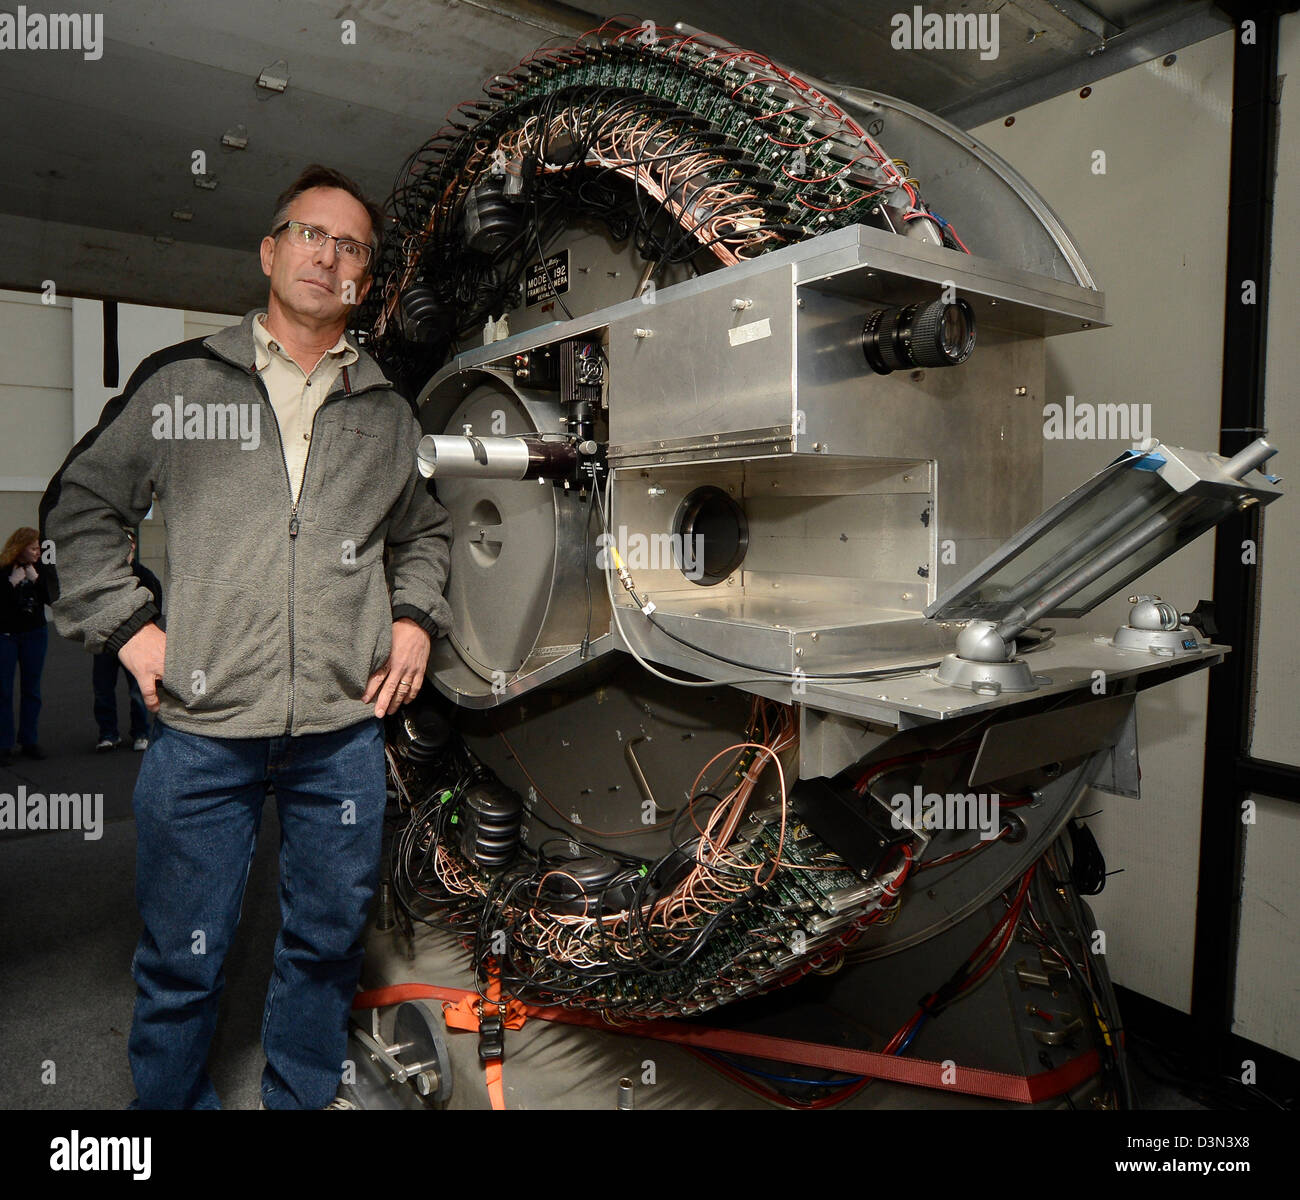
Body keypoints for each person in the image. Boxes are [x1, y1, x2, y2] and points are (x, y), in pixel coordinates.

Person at [40, 164, 452, 1110]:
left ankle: (299, 1102)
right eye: (311, 234)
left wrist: (412, 616)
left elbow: (423, 534)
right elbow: (78, 508)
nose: (329, 255)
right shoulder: (184, 382)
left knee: (323, 949)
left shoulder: (388, 412)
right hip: (201, 731)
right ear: (270, 251)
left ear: (365, 279)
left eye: (352, 247)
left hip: (341, 738)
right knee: (184, 960)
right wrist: (130, 629)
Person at [94, 529, 162, 752]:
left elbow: (156, 606)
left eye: (128, 543)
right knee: (103, 689)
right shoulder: (104, 577)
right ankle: (108, 734)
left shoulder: (145, 576)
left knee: (138, 690)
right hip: (106, 643)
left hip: (136, 643)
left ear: (132, 546)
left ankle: (141, 733)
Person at [0, 526, 51, 764]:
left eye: (38, 547)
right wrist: (11, 583)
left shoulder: (41, 570)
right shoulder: (3, 569)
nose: (38, 551)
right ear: (20, 549)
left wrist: (37, 580)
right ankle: (4, 744)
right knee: (4, 691)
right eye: (33, 548)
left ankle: (29, 740)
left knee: (32, 689)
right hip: (7, 636)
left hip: (35, 634)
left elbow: (53, 598)